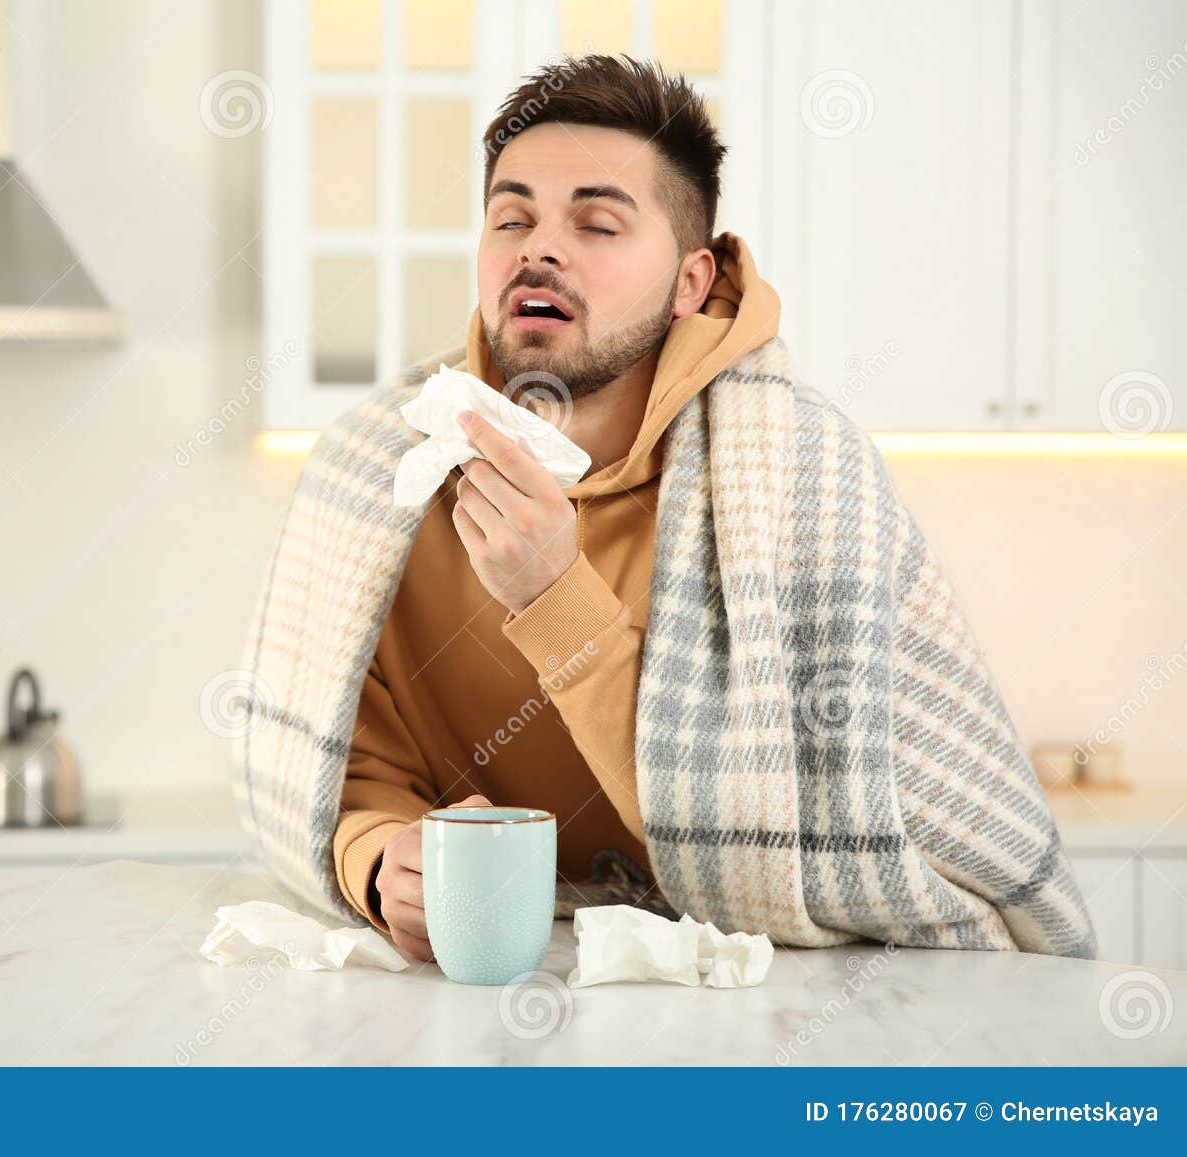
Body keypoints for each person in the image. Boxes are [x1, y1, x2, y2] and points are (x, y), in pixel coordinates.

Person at [237, 55, 1095, 963]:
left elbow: (831, 825)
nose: (540, 248)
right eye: (511, 217)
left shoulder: (803, 473)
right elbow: (343, 758)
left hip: (776, 1001)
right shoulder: (378, 470)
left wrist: (552, 593)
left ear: (691, 282)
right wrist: (382, 860)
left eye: (598, 223)